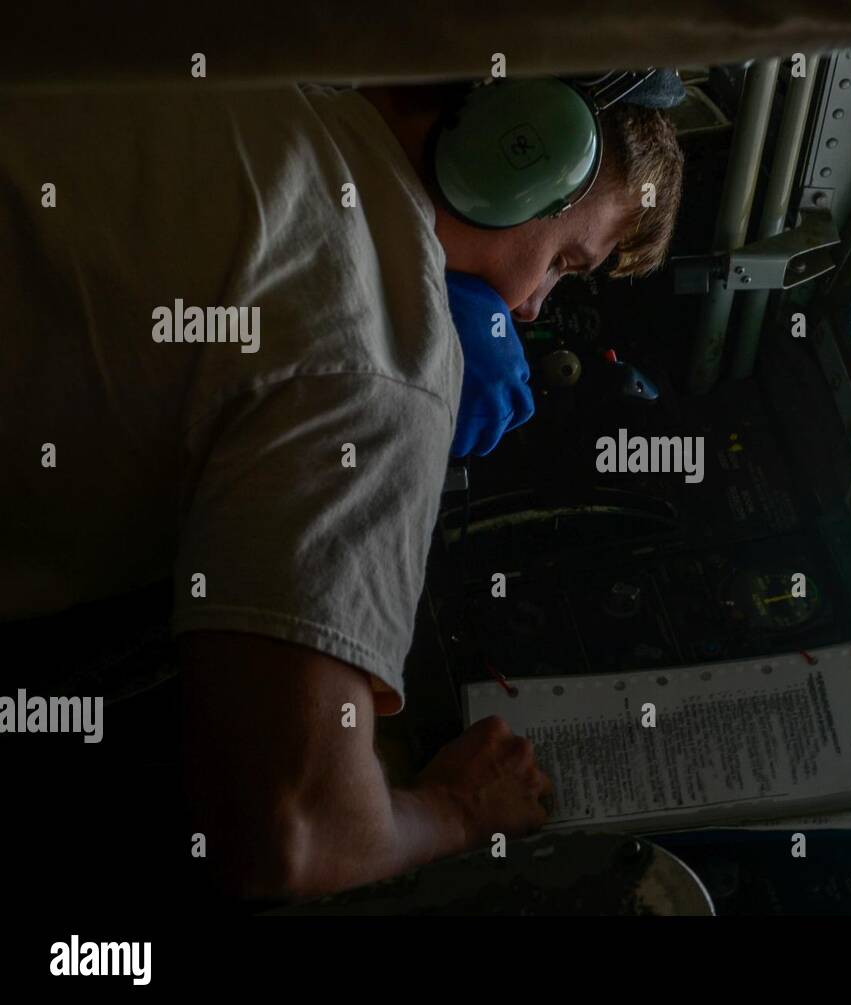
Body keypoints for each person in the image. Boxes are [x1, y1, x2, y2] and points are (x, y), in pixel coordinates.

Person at [0, 74, 683, 901]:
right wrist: (461, 808)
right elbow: (289, 837)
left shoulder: (264, 75)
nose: (535, 308)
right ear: (519, 151)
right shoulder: (383, 359)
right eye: (565, 262)